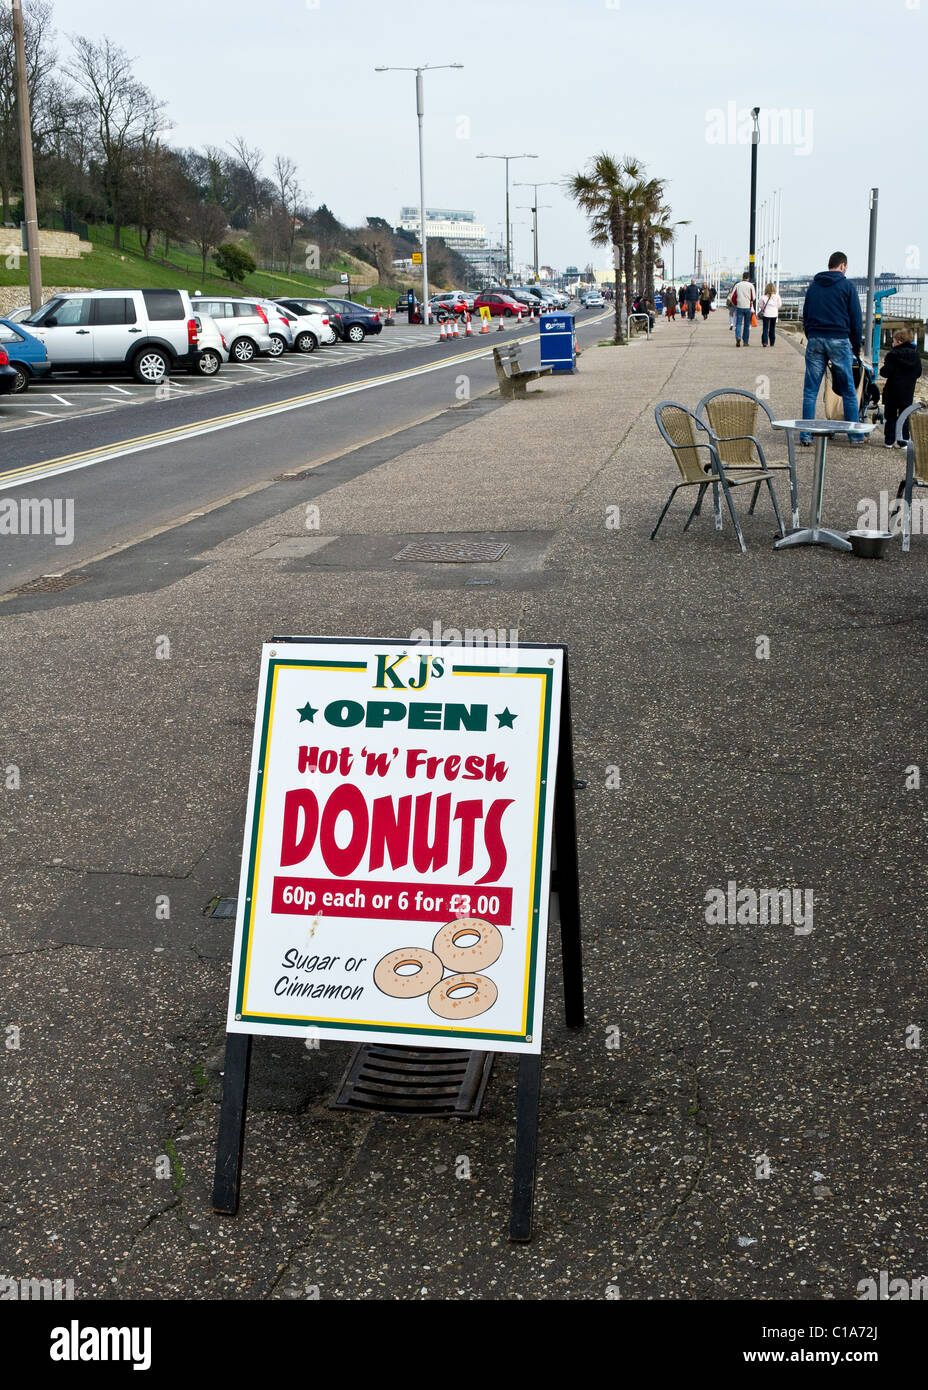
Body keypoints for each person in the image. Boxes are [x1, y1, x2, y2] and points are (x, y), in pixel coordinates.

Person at [800, 251, 865, 446]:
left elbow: (806, 313)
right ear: (843, 265)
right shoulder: (847, 286)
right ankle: (855, 435)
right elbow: (855, 319)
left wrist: (811, 335)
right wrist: (856, 346)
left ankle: (806, 435)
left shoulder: (813, 286)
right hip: (839, 339)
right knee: (848, 390)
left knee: (810, 391)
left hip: (816, 339)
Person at [880, 325, 922, 448]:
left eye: (893, 341)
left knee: (890, 416)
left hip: (892, 391)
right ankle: (903, 441)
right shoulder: (915, 356)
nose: (892, 343)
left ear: (899, 342)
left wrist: (883, 370)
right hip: (907, 391)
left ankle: (889, 440)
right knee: (905, 416)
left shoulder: (892, 355)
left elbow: (885, 372)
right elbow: (918, 372)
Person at [730, 273, 755, 346]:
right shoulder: (751, 286)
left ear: (742, 277)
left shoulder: (738, 285)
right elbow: (753, 297)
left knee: (738, 324)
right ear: (748, 278)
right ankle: (745, 341)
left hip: (739, 306)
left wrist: (735, 303)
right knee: (747, 325)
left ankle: (738, 337)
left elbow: (732, 296)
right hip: (747, 307)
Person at [758, 282, 782, 347]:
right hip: (774, 314)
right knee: (772, 328)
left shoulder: (763, 297)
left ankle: (765, 342)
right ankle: (772, 342)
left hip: (766, 314)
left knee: (765, 328)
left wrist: (764, 307)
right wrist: (775, 308)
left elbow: (760, 305)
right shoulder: (777, 296)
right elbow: (779, 305)